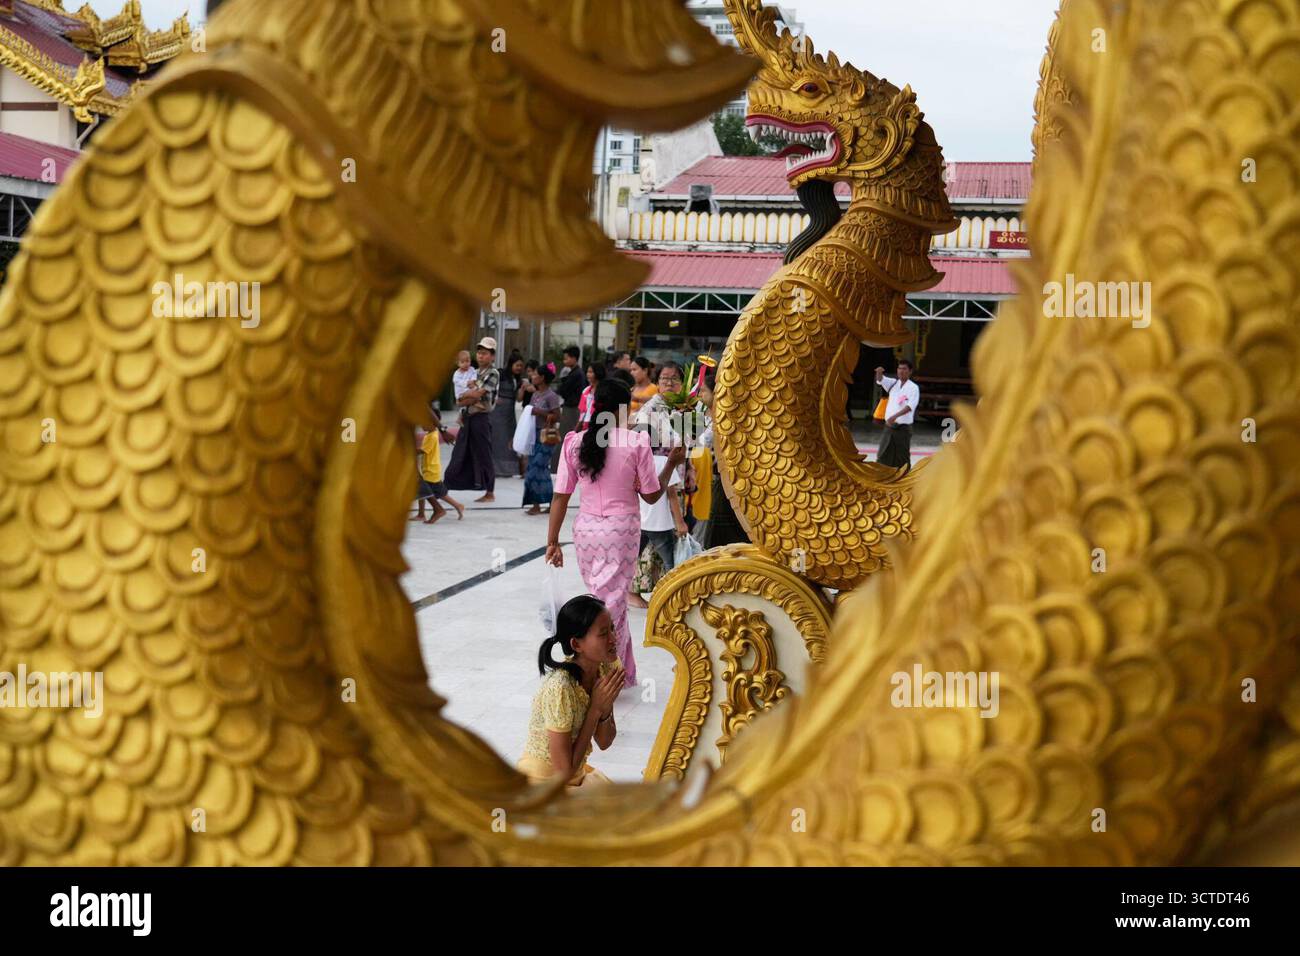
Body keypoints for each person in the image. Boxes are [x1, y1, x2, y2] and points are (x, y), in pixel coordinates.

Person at [545, 379, 686, 687]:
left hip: (586, 530)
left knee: (608, 601)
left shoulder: (575, 441)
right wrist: (672, 464)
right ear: (625, 407)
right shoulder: (636, 443)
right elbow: (651, 495)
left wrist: (552, 542)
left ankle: (623, 673)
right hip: (621, 530)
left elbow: (560, 496)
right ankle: (600, 675)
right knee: (610, 606)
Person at [518, 595, 624, 787]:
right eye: (603, 634)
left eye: (612, 628)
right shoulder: (560, 688)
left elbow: (605, 741)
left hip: (575, 776)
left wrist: (604, 707)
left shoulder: (607, 668)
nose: (613, 638)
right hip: (543, 784)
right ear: (576, 644)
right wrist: (595, 709)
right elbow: (563, 773)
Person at [627, 446, 687, 609]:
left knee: (630, 560)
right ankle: (671, 598)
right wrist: (680, 522)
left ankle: (628, 594)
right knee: (670, 564)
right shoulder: (665, 462)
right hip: (660, 523)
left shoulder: (635, 461)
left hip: (638, 521)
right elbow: (672, 495)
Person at [444, 338, 500, 501]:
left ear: (492, 356)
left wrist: (464, 397)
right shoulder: (474, 372)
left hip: (481, 418)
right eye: (480, 353)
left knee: (484, 454)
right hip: (469, 417)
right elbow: (462, 398)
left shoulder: (493, 373)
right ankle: (446, 486)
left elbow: (477, 395)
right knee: (460, 450)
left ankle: (490, 492)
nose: (481, 356)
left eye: (485, 353)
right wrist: (464, 398)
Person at [522, 366, 561, 515]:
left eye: (536, 374)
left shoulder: (551, 396)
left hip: (546, 437)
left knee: (536, 469)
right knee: (540, 470)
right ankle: (539, 504)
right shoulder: (536, 394)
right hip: (534, 436)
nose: (532, 376)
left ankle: (543, 503)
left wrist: (540, 412)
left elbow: (558, 416)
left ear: (543, 377)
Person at [414, 407, 464, 522]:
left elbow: (422, 451)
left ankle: (449, 508)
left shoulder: (432, 436)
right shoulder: (430, 434)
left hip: (430, 470)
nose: (421, 426)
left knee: (429, 491)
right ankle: (456, 506)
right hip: (429, 469)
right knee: (435, 492)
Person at [875, 359, 919, 469]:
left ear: (910, 371)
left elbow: (909, 407)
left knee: (902, 457)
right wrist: (879, 372)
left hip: (903, 428)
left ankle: (904, 481)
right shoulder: (893, 383)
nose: (901, 371)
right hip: (889, 427)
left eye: (904, 369)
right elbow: (880, 380)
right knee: (883, 454)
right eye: (899, 368)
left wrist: (894, 416)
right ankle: (884, 479)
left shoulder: (913, 388)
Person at [549, 346, 584, 474]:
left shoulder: (576, 374)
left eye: (566, 358)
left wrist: (562, 382)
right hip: (571, 407)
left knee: (564, 438)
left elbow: (563, 390)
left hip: (571, 408)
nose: (564, 361)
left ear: (574, 358)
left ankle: (558, 466)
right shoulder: (573, 372)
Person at [492, 354, 525, 479]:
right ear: (510, 364)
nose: (519, 368)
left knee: (509, 439)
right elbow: (489, 387)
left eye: (521, 366)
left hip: (509, 414)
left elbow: (518, 399)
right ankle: (493, 468)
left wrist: (522, 389)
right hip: (496, 412)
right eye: (517, 365)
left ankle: (507, 469)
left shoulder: (518, 380)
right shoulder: (500, 374)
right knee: (496, 439)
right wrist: (494, 398)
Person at [516, 358, 539, 477]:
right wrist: (523, 389)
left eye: (533, 371)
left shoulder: (539, 383)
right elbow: (519, 399)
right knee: (524, 439)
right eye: (529, 371)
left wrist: (534, 388)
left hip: (536, 413)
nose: (531, 374)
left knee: (533, 440)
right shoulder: (524, 383)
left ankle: (532, 468)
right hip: (526, 413)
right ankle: (523, 470)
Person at [576, 361, 606, 432]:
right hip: (585, 426)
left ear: (598, 372)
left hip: (599, 426)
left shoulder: (605, 391)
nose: (588, 374)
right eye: (587, 372)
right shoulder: (586, 390)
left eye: (591, 372)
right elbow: (582, 412)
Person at [451, 350, 476, 424]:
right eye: (462, 362)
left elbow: (474, 376)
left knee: (466, 405)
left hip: (469, 389)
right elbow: (456, 381)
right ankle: (460, 417)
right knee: (472, 396)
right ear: (458, 363)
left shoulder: (471, 369)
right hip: (460, 392)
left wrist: (473, 381)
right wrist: (466, 383)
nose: (466, 364)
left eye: (467, 361)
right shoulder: (457, 373)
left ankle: (460, 418)